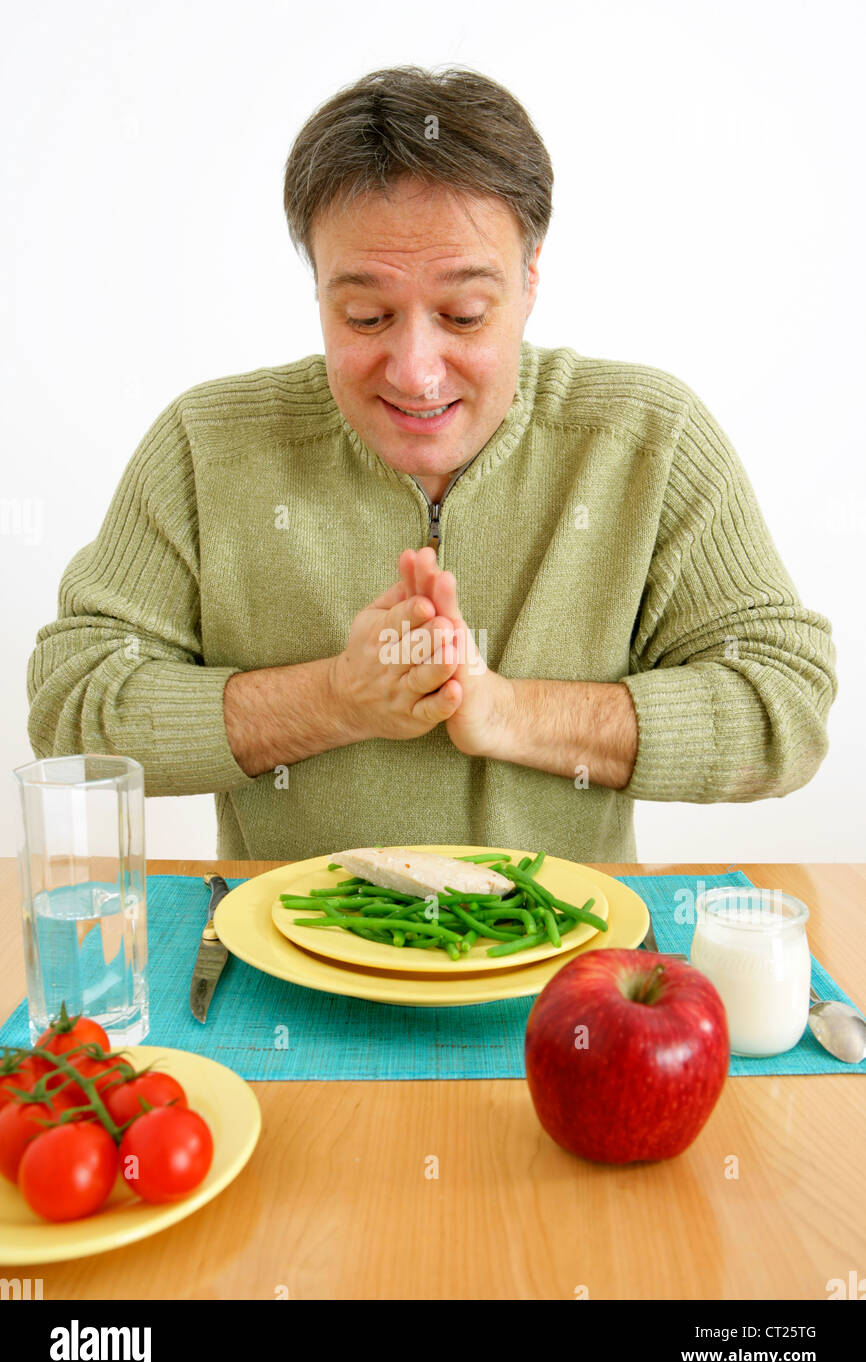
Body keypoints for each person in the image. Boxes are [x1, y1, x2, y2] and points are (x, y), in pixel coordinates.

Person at [26, 65, 838, 863]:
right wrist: (338, 699)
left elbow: (785, 705)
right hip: (285, 956)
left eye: (464, 314)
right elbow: (73, 701)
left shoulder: (647, 436)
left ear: (529, 283)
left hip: (568, 964)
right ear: (317, 291)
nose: (416, 370)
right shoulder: (206, 443)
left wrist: (512, 715)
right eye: (367, 315)